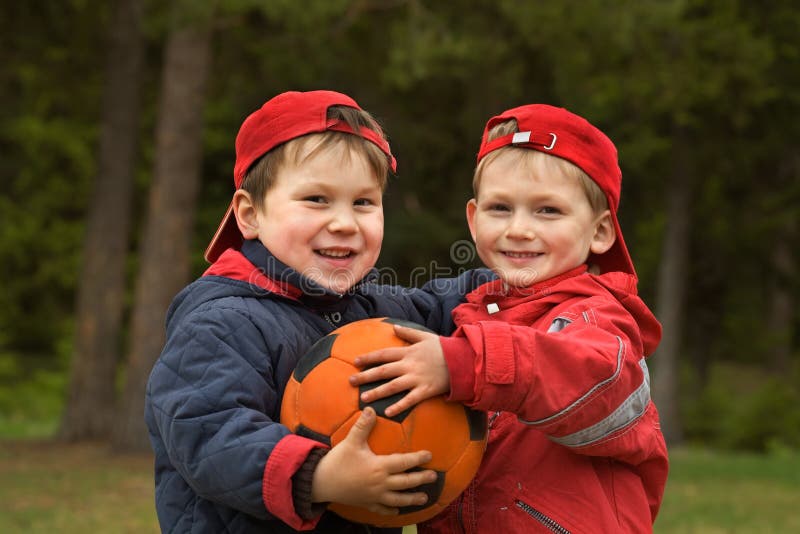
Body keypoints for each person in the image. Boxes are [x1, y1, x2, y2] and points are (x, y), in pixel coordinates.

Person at [144, 90, 487, 533]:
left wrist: (531, 278)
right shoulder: (221, 322)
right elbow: (210, 434)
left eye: (363, 202)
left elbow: (445, 301)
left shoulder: (370, 309)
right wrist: (320, 476)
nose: (344, 222)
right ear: (250, 215)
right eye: (317, 200)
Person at [350, 103, 670, 533]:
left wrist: (464, 364)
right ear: (473, 217)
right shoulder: (472, 314)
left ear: (600, 232)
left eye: (548, 211)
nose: (519, 228)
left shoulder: (595, 315)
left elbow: (593, 377)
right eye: (500, 208)